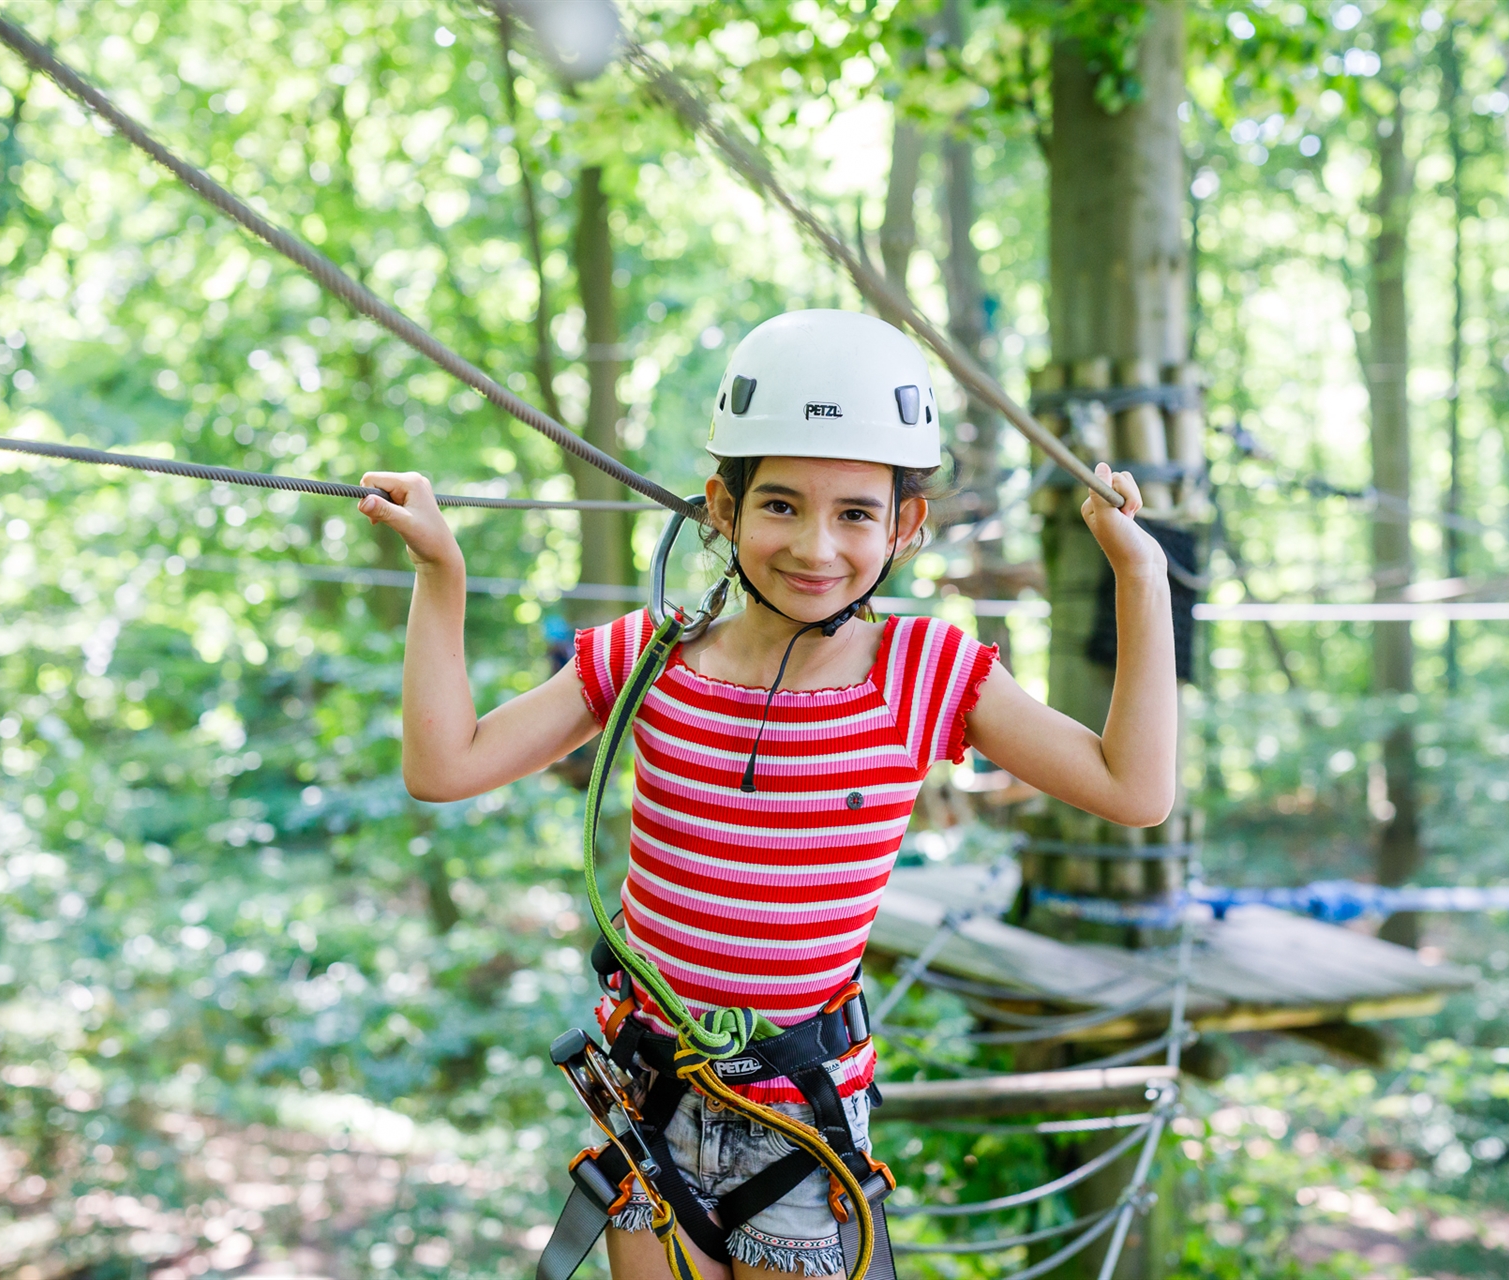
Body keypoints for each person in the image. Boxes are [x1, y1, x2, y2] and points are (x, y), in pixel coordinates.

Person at [359, 309, 1178, 1280]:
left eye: (855, 513)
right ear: (722, 505)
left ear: (905, 525)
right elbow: (444, 763)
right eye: (781, 504)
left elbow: (1134, 788)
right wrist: (440, 572)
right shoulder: (653, 650)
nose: (816, 546)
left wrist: (1142, 577)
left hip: (797, 1115)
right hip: (653, 1099)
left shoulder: (925, 671)